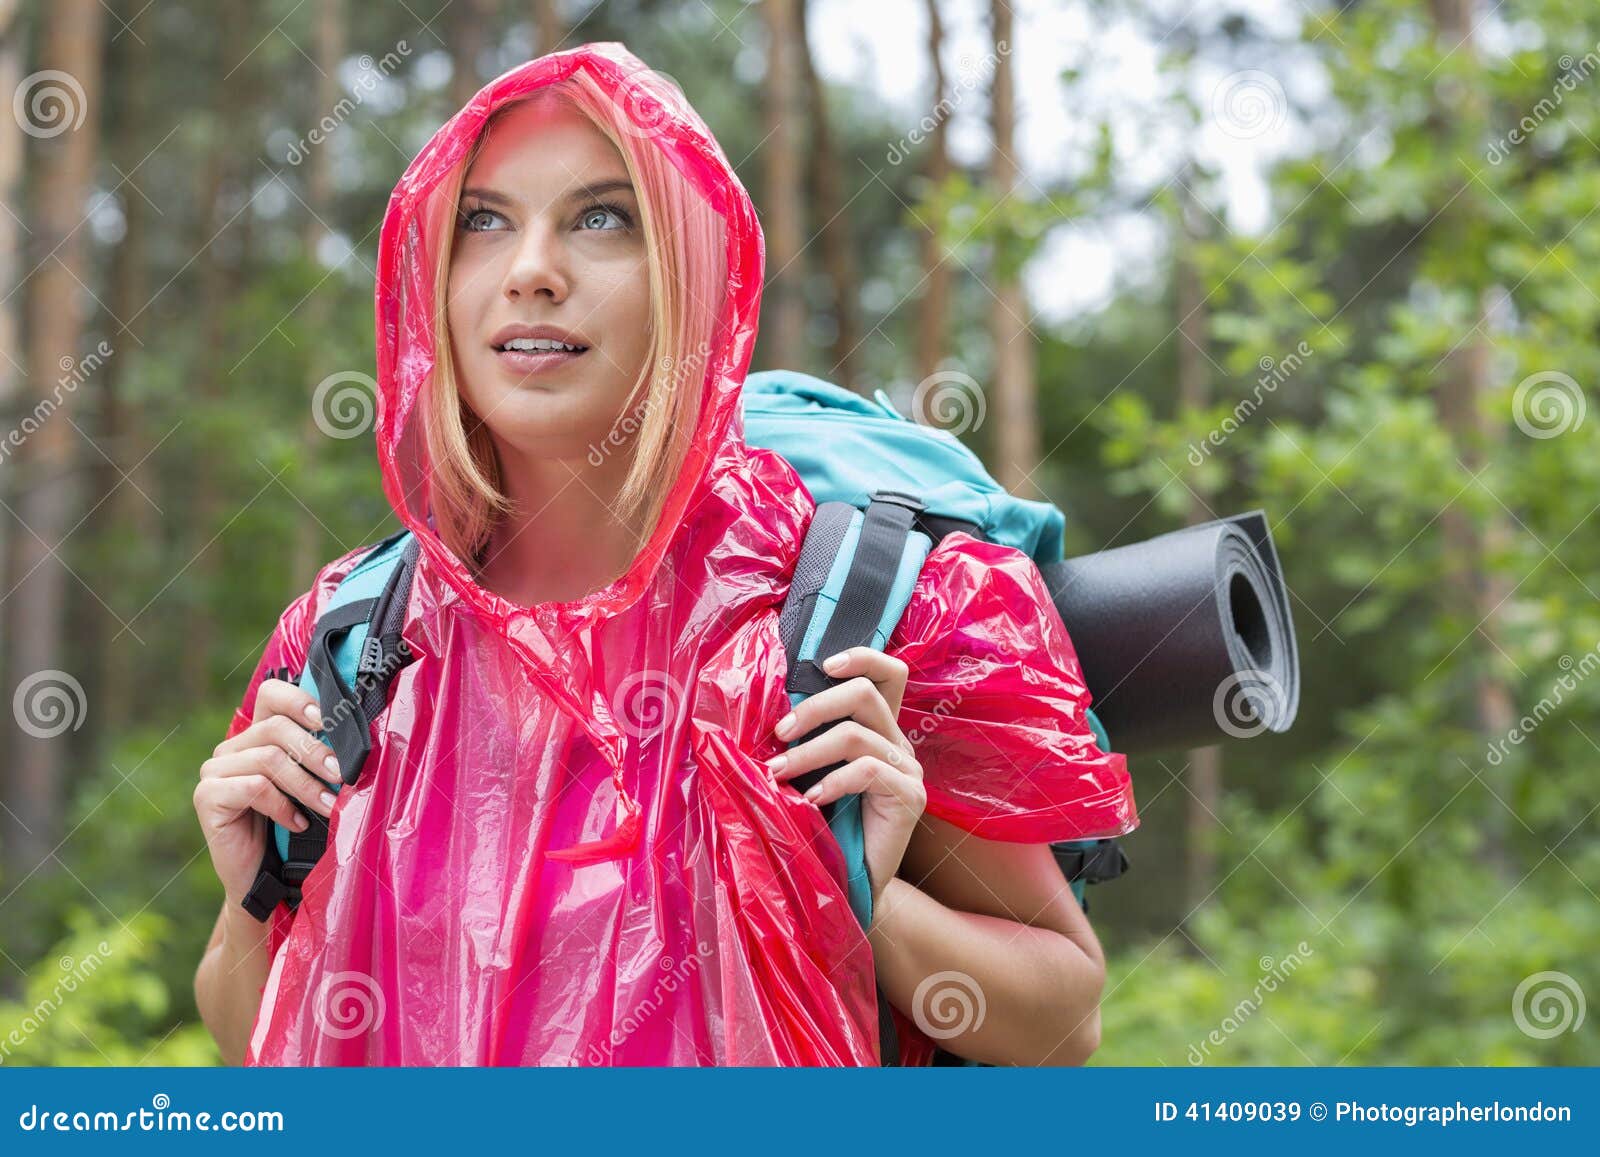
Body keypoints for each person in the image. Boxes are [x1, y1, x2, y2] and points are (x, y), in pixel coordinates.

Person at [193, 42, 1136, 1066]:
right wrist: (255, 894)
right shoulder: (350, 639)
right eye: (483, 220)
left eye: (603, 218)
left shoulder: (882, 613)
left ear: (693, 268)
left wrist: (852, 889)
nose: (532, 271)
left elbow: (1062, 1028)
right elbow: (268, 1031)